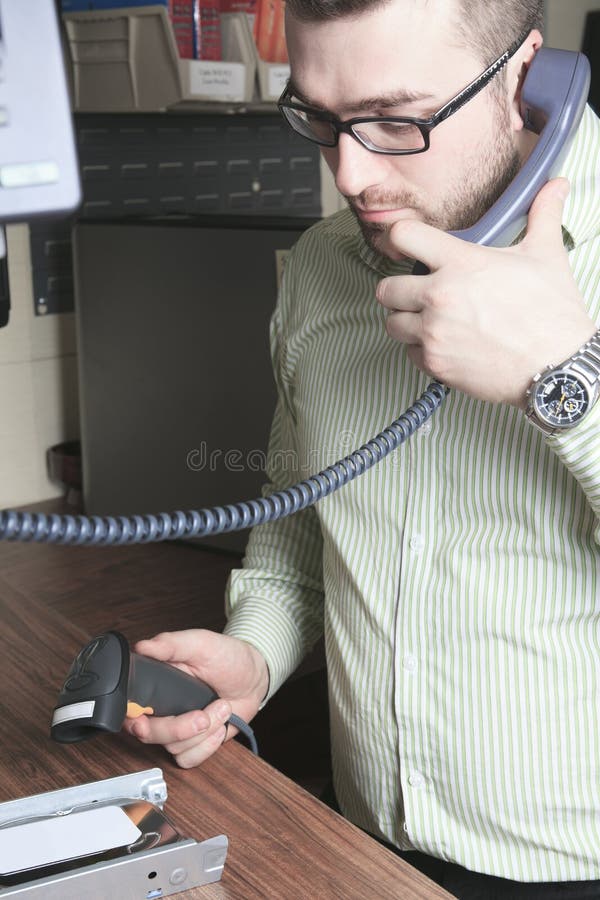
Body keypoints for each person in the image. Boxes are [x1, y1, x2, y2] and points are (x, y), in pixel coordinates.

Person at [125, 1, 600, 896]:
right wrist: (257, 651)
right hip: (364, 840)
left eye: (397, 121)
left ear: (525, 75)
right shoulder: (321, 267)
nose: (350, 173)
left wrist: (569, 375)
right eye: (322, 119)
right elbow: (300, 517)